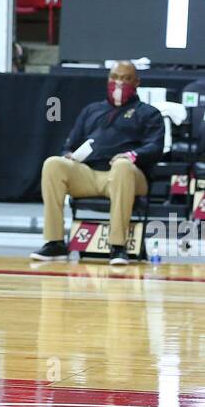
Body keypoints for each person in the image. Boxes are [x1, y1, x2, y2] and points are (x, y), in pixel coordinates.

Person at [31, 60, 165, 266]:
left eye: (125, 78)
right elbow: (70, 144)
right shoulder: (92, 110)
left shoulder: (148, 113)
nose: (118, 83)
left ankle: (118, 246)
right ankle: (55, 242)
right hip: (90, 174)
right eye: (114, 78)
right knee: (53, 164)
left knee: (122, 166)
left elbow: (155, 147)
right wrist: (68, 154)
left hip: (128, 175)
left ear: (136, 82)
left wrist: (131, 155)